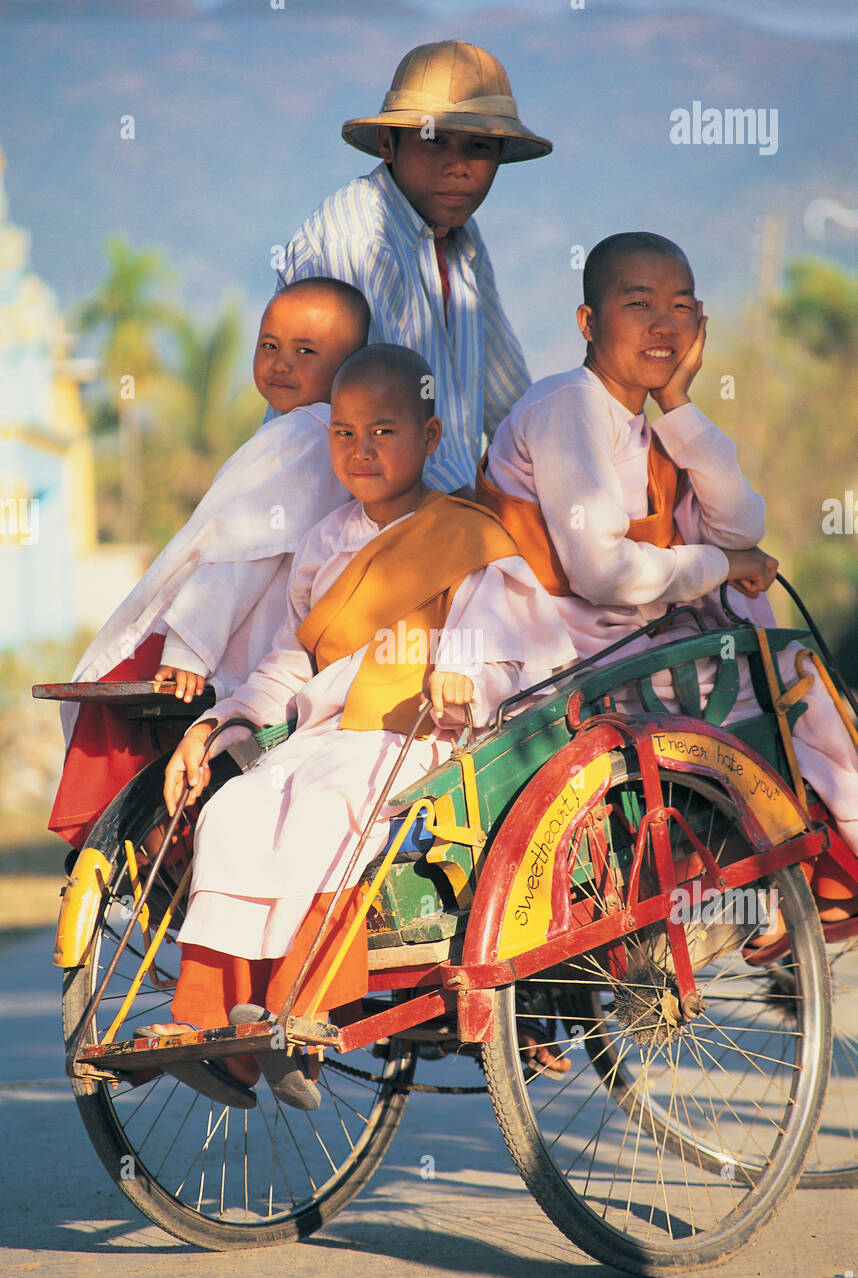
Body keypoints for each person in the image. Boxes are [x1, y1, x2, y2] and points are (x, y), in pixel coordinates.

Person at [138, 344, 575, 1107]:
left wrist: (464, 681)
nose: (362, 450)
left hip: (424, 743)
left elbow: (520, 656)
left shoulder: (470, 538)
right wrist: (219, 724)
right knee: (235, 810)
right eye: (345, 434)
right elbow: (288, 665)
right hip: (329, 734)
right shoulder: (324, 543)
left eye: (384, 432)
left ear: (431, 436)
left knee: (325, 805)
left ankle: (302, 1014)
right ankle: (218, 1029)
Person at [478, 231, 858, 928]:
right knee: (783, 682)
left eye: (680, 305)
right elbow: (604, 571)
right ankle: (802, 876)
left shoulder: (644, 424)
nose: (664, 324)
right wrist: (722, 567)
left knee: (791, 666)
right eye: (639, 303)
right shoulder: (568, 406)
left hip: (631, 643)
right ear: (588, 323)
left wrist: (680, 405)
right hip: (565, 656)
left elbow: (741, 527)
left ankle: (812, 875)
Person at [49, 278, 370, 850]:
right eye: (268, 345)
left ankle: (138, 848)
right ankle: (153, 848)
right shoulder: (334, 439)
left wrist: (188, 650)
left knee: (110, 697)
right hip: (277, 647)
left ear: (349, 367)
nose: (280, 364)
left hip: (217, 637)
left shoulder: (299, 434)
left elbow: (235, 554)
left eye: (306, 351)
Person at [272, 39, 552, 492]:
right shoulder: (362, 239)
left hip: (441, 514)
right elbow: (375, 426)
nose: (457, 167)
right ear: (388, 143)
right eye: (434, 140)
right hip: (343, 522)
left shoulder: (463, 240)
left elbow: (511, 407)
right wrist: (473, 519)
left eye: (479, 147)